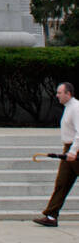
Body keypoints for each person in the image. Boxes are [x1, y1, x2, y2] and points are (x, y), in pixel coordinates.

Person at [33, 82, 79, 226]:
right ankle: (51, 216)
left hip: (75, 150)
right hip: (69, 149)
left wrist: (73, 151)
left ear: (68, 93)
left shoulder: (76, 108)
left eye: (60, 93)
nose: (57, 95)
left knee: (62, 183)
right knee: (62, 183)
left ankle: (51, 215)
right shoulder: (68, 108)